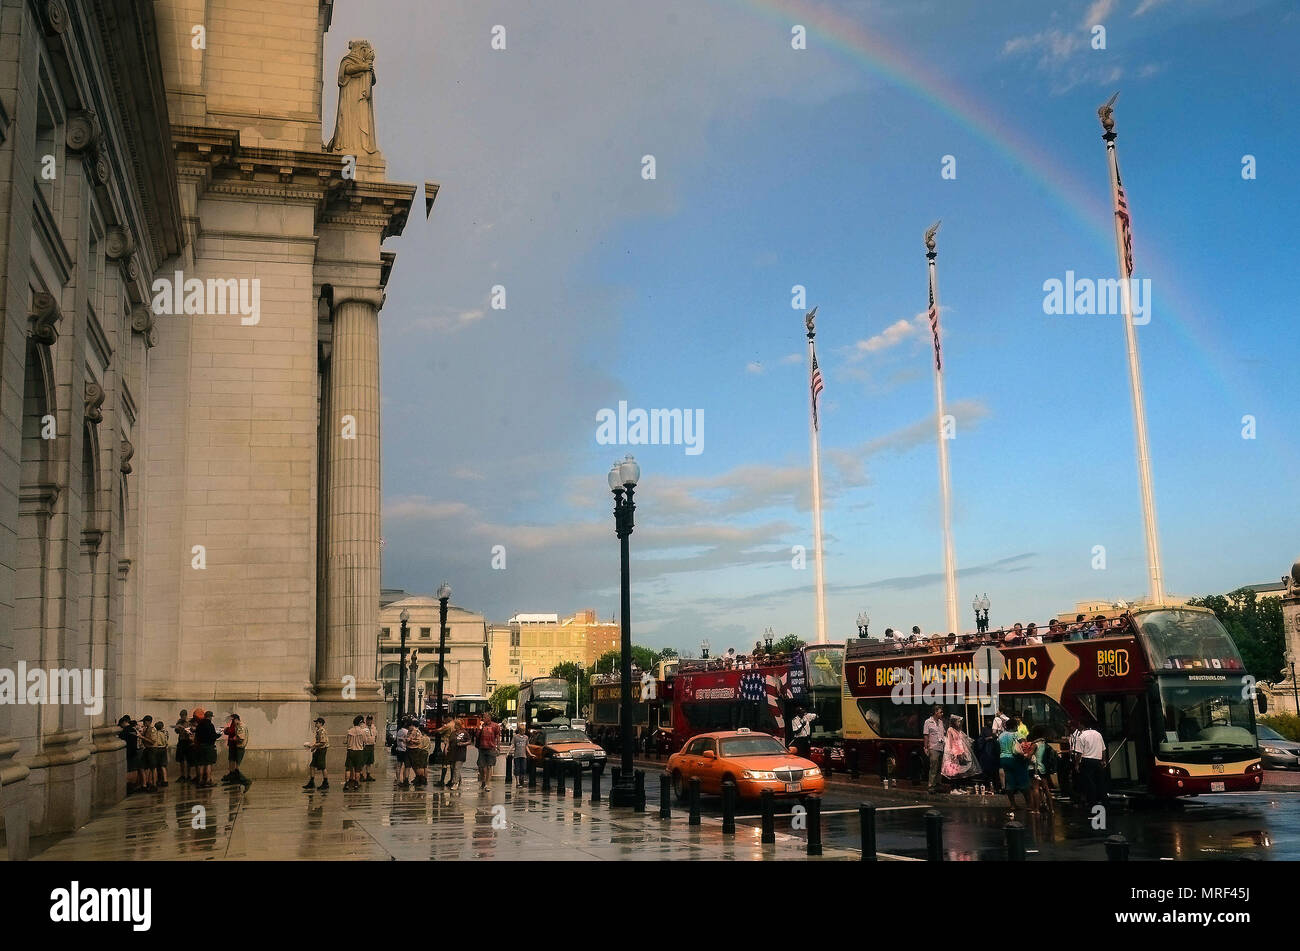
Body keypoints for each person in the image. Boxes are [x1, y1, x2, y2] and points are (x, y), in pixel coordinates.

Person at [998, 717, 1031, 811]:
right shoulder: (1018, 734)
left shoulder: (1001, 735)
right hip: (1016, 759)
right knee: (1023, 781)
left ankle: (1012, 805)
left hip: (1004, 759)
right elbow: (1024, 746)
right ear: (1015, 726)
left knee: (1009, 781)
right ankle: (1029, 804)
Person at [941, 716, 976, 792]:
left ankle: (958, 788)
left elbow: (961, 741)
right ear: (954, 722)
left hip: (960, 752)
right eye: (958, 721)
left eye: (959, 722)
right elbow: (950, 742)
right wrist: (953, 753)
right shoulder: (950, 730)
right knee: (954, 771)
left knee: (959, 771)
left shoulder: (958, 730)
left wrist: (963, 751)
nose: (959, 723)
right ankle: (953, 789)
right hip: (954, 753)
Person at [1075, 719, 1106, 807]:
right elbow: (1103, 749)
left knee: (1089, 783)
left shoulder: (1081, 736)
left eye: (1079, 724)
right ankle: (1105, 803)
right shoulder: (1098, 734)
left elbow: (1079, 752)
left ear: (1082, 725)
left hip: (1087, 761)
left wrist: (1077, 764)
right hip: (1097, 760)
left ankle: (1093, 803)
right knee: (1100, 782)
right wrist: (1103, 760)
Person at [221, 713, 250, 786]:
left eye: (233, 720)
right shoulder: (238, 726)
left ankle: (245, 781)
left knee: (237, 768)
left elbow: (240, 738)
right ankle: (238, 780)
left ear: (236, 719)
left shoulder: (240, 726)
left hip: (239, 747)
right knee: (235, 766)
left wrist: (233, 738)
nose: (232, 722)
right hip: (237, 747)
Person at [923, 706, 946, 794]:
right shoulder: (928, 722)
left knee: (939, 767)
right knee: (933, 767)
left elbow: (943, 734)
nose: (942, 714)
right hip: (933, 747)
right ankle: (931, 786)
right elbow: (926, 735)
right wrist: (925, 747)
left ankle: (938, 784)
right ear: (936, 712)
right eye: (941, 712)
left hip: (941, 747)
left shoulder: (940, 722)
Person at [193, 709, 219, 787]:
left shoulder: (199, 725)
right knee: (208, 764)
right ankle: (208, 780)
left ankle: (200, 780)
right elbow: (213, 736)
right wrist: (218, 735)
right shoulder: (210, 725)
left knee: (201, 764)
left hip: (200, 746)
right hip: (209, 746)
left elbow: (196, 736)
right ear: (210, 717)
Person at [303, 716, 330, 791]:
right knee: (312, 765)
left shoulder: (322, 731)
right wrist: (313, 747)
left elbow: (322, 742)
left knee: (322, 766)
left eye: (317, 723)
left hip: (322, 750)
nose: (315, 724)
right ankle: (311, 782)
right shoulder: (318, 731)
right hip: (318, 749)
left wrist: (313, 745)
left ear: (321, 723)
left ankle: (325, 782)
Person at [476, 712, 500, 791]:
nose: (484, 719)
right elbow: (477, 735)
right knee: (482, 766)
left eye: (485, 717)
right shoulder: (482, 726)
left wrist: (498, 747)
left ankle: (487, 784)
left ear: (489, 718)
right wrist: (480, 727)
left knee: (489, 766)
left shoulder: (495, 726)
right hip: (482, 748)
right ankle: (483, 780)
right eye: (483, 717)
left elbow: (497, 736)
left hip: (491, 748)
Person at [344, 715, 368, 790]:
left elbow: (345, 741)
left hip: (350, 751)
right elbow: (365, 741)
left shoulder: (349, 731)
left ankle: (347, 784)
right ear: (360, 723)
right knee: (358, 769)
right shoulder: (362, 731)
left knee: (348, 768)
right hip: (359, 752)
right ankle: (356, 784)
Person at [406, 722, 430, 787]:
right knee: (425, 766)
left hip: (421, 752)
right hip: (426, 752)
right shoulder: (428, 738)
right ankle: (424, 778)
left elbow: (419, 744)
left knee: (420, 766)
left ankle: (421, 779)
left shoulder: (421, 737)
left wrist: (411, 741)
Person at [174, 709, 192, 783]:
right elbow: (176, 731)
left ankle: (188, 775)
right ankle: (183, 775)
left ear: (186, 715)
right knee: (181, 759)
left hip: (188, 741)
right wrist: (178, 728)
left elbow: (192, 731)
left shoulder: (189, 722)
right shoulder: (179, 721)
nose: (182, 717)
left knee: (188, 760)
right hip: (181, 741)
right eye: (181, 716)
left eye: (184, 715)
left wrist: (186, 730)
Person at [394, 718, 410, 787]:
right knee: (406, 766)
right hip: (404, 750)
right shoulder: (406, 731)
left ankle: (398, 780)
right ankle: (404, 780)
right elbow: (408, 740)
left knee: (398, 766)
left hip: (399, 750)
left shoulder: (399, 731)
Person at [362, 715, 377, 782]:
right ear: (366, 720)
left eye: (370, 720)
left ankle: (368, 775)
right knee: (363, 761)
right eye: (368, 720)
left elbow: (376, 736)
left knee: (369, 762)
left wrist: (374, 742)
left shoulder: (374, 727)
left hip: (371, 746)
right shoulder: (363, 727)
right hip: (365, 746)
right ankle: (361, 775)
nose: (369, 721)